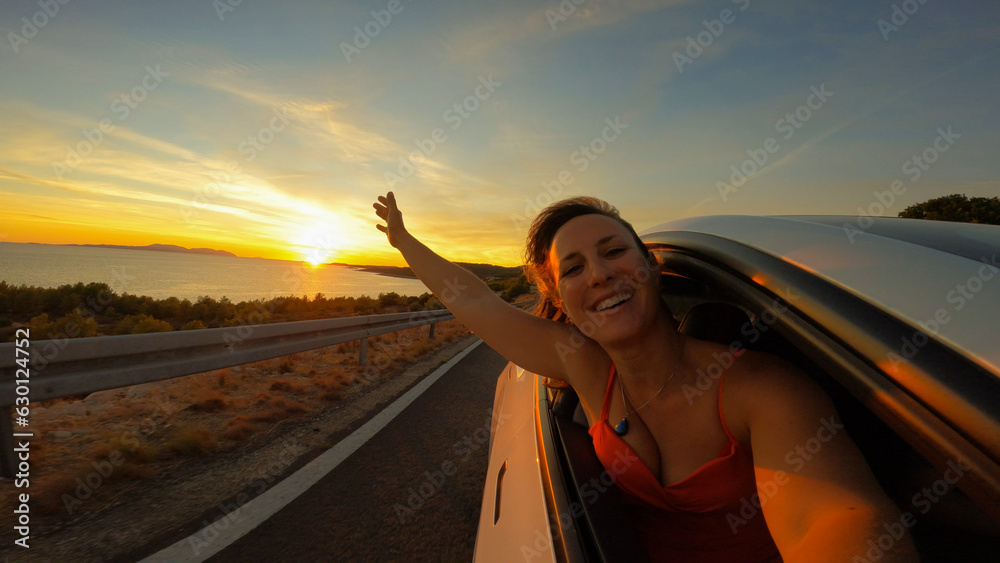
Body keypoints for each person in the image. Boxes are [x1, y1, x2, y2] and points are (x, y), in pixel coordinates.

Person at [373, 191, 918, 562]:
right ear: (562, 298)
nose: (601, 274)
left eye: (614, 252)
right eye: (575, 268)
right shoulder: (586, 368)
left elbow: (835, 519)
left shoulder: (759, 389)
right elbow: (477, 302)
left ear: (652, 267)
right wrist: (403, 241)